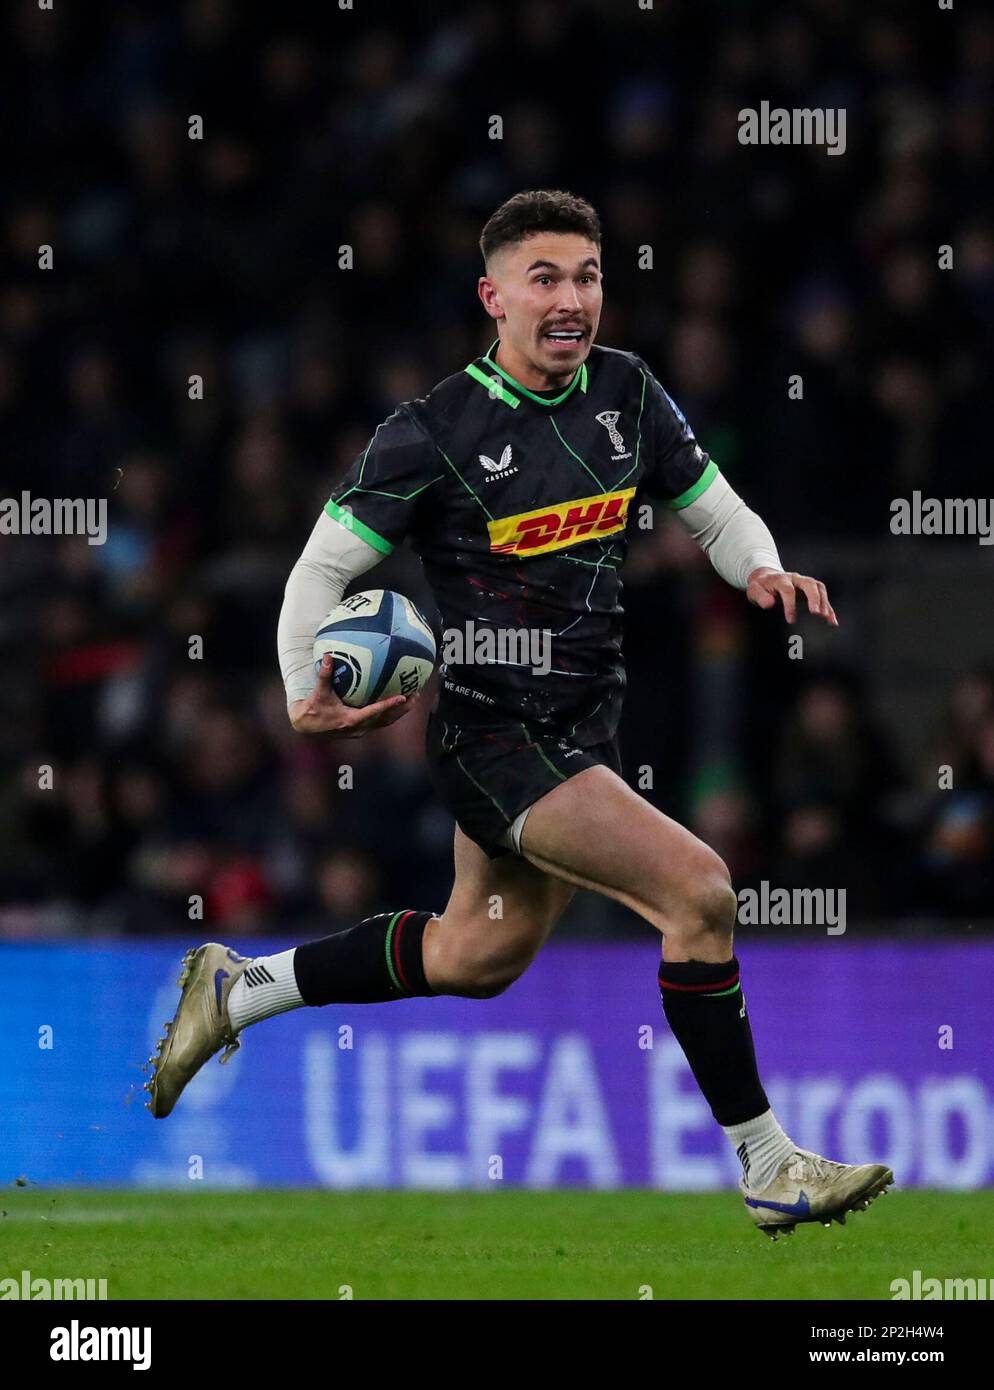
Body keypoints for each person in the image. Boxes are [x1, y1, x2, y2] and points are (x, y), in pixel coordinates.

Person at [147, 190, 891, 1237]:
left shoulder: (626, 391)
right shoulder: (433, 431)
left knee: (473, 958)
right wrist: (297, 693)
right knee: (702, 896)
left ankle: (239, 991)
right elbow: (321, 566)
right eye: (545, 278)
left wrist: (761, 569)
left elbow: (713, 506)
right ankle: (768, 1166)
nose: (571, 298)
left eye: (586, 276)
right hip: (491, 734)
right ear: (494, 296)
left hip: (586, 724)